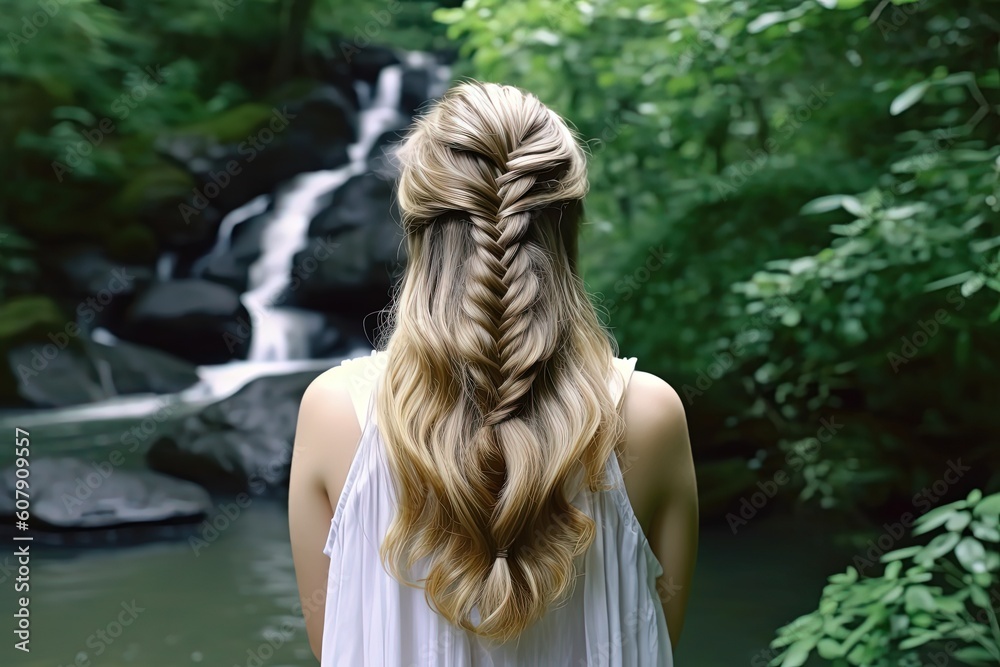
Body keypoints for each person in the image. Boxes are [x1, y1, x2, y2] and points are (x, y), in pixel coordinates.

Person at [289, 80, 698, 666]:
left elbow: (333, 640)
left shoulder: (332, 411)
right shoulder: (649, 414)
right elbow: (658, 633)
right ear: (568, 226)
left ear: (417, 229)